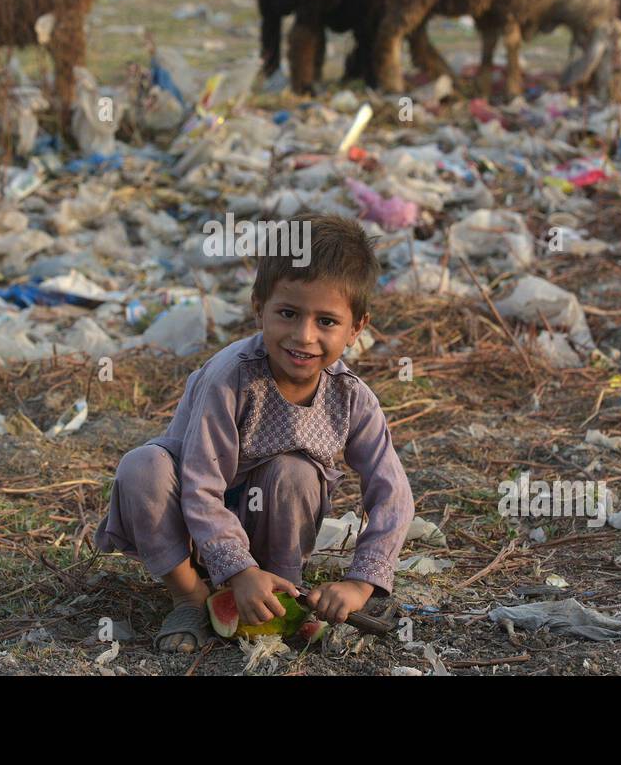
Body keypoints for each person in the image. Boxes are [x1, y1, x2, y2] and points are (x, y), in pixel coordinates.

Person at [94, 213, 415, 652]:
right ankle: (190, 597)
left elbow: (392, 493)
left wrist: (361, 583)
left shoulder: (351, 397)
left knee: (295, 470)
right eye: (287, 313)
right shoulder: (230, 378)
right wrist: (238, 571)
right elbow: (200, 484)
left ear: (357, 327)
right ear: (257, 307)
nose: (303, 336)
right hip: (192, 527)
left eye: (326, 321)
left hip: (271, 536)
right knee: (142, 465)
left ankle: (284, 595)